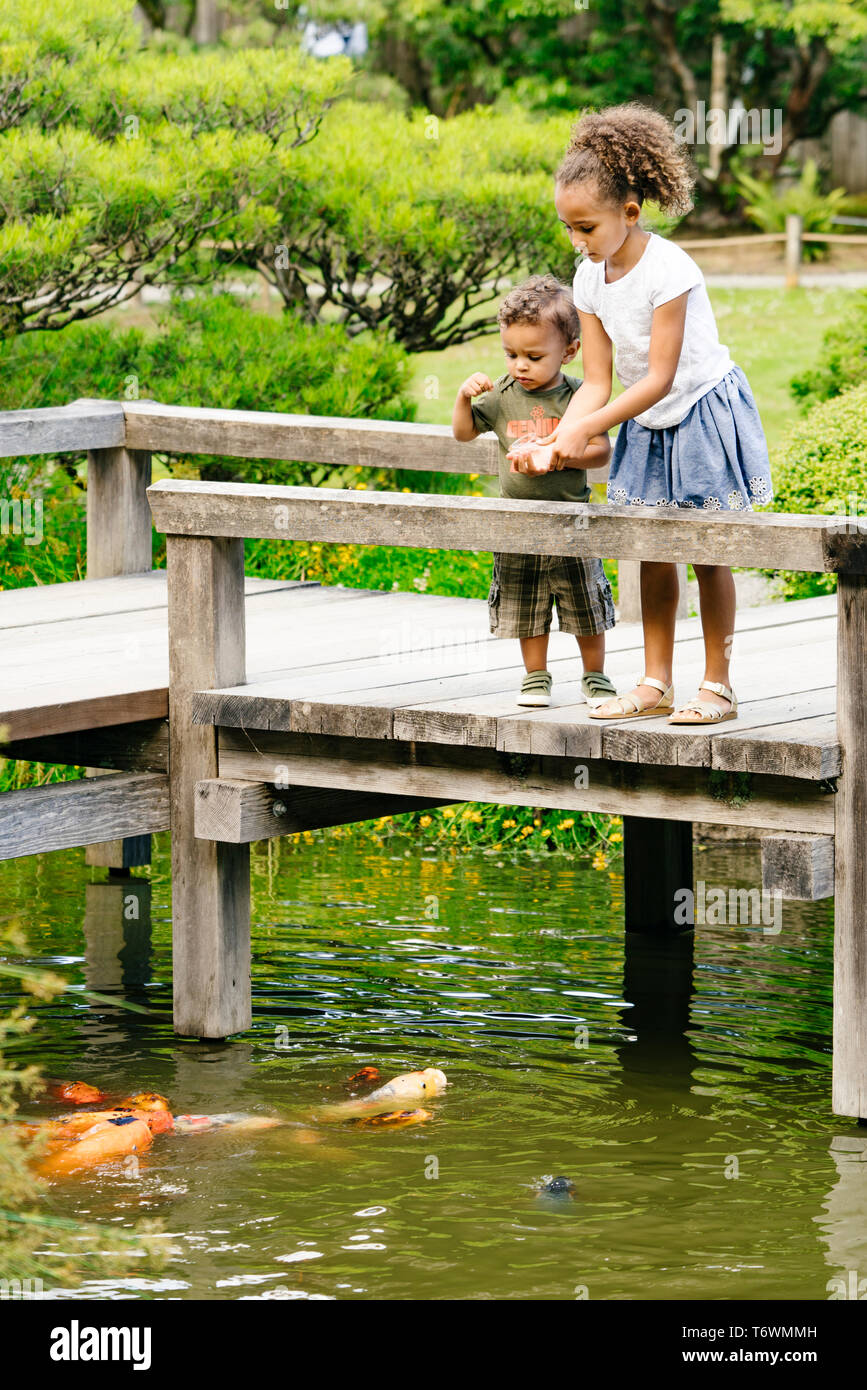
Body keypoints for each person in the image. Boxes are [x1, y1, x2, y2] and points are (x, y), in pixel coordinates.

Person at [507, 104, 774, 724]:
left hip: (699, 411)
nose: (577, 241)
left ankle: (718, 685)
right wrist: (558, 437)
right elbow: (597, 380)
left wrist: (577, 433)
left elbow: (657, 378)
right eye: (568, 228)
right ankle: (656, 682)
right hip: (646, 424)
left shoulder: (670, 269)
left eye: (587, 227)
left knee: (707, 550)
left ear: (629, 213)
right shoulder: (588, 278)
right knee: (652, 551)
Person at [452, 274, 616, 709]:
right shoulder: (503, 395)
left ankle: (595, 676)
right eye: (511, 354)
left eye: (533, 356)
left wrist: (562, 456)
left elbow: (601, 452)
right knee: (526, 602)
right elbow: (464, 433)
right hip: (517, 522)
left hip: (572, 520)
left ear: (570, 351)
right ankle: (535, 677)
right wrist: (461, 398)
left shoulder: (579, 396)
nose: (519, 365)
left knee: (584, 602)